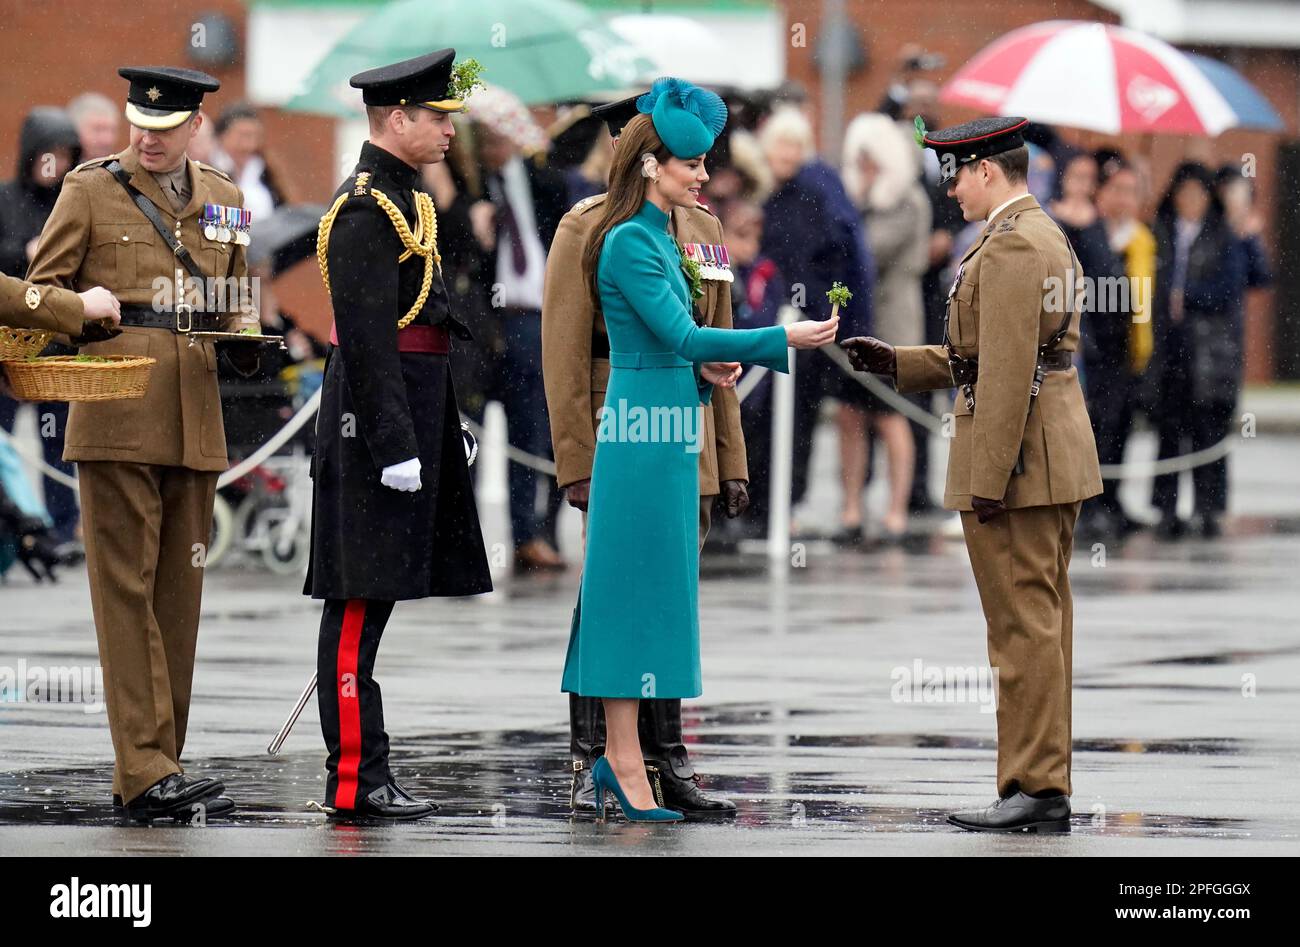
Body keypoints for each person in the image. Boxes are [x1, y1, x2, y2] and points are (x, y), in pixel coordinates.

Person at [560, 78, 838, 821]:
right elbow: (677, 335)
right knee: (624, 598)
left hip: (671, 425)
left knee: (654, 598)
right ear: (651, 164)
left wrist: (708, 367)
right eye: (691, 164)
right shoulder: (622, 237)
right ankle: (619, 758)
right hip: (636, 434)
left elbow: (681, 340)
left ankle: (640, 759)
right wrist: (780, 337)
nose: (704, 175)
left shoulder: (667, 233)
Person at [842, 117, 1101, 832]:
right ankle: (1035, 781)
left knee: (1023, 632)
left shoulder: (1016, 243)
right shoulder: (1028, 233)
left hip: (1022, 462)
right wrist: (898, 361)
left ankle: (1036, 785)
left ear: (988, 169)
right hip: (1043, 452)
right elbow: (985, 355)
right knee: (1036, 627)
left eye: (957, 174)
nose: (951, 190)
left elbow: (1012, 368)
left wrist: (989, 478)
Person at [27, 65, 260, 823]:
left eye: (163, 129)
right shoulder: (90, 189)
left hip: (196, 421)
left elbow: (237, 294)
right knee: (124, 599)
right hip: (118, 413)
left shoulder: (225, 197)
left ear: (196, 125)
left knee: (177, 602)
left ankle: (164, 762)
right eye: (137, 125)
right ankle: (145, 767)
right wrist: (84, 309)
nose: (146, 140)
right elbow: (43, 288)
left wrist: (251, 338)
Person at [543, 92, 755, 817]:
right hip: (620, 429)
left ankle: (666, 758)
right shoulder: (588, 227)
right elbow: (564, 352)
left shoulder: (702, 227)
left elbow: (715, 335)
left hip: (684, 430)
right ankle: (592, 753)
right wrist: (574, 462)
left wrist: (731, 461)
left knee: (671, 595)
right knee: (609, 595)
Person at [307, 49, 493, 822]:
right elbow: (367, 339)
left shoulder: (407, 198)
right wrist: (393, 444)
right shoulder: (363, 210)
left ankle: (368, 769)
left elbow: (428, 316)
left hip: (415, 411)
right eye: (437, 119)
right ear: (397, 119)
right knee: (356, 604)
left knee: (376, 600)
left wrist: (446, 416)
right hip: (374, 429)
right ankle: (354, 777)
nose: (450, 132)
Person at [757, 106, 873, 535]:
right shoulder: (773, 190)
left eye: (793, 145)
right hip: (784, 320)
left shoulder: (813, 189)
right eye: (779, 145)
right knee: (780, 417)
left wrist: (817, 310)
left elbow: (827, 254)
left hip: (808, 322)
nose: (786, 153)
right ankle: (774, 504)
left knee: (800, 416)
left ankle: (788, 503)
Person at [0, 107, 86, 552]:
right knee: (4, 439)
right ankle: (13, 528)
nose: (56, 164)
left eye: (64, 155)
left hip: (54, 341)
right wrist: (22, 252)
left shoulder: (70, 202)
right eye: (48, 154)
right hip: (8, 343)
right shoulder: (5, 199)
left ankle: (57, 529)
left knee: (59, 441)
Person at [841, 112, 929, 543]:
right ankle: (852, 509)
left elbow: (868, 253)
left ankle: (896, 511)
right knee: (851, 414)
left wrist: (849, 215)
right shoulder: (861, 204)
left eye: (870, 161)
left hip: (894, 324)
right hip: (860, 324)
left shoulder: (906, 201)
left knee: (891, 417)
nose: (864, 169)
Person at [1149, 162, 1248, 539]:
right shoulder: (1160, 232)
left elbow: (1229, 288)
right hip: (1169, 348)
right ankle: (1167, 509)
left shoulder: (1223, 236)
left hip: (1208, 349)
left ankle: (1209, 509)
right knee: (1170, 431)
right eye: (1184, 194)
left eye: (1198, 194)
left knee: (1209, 432)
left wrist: (1187, 296)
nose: (1190, 202)